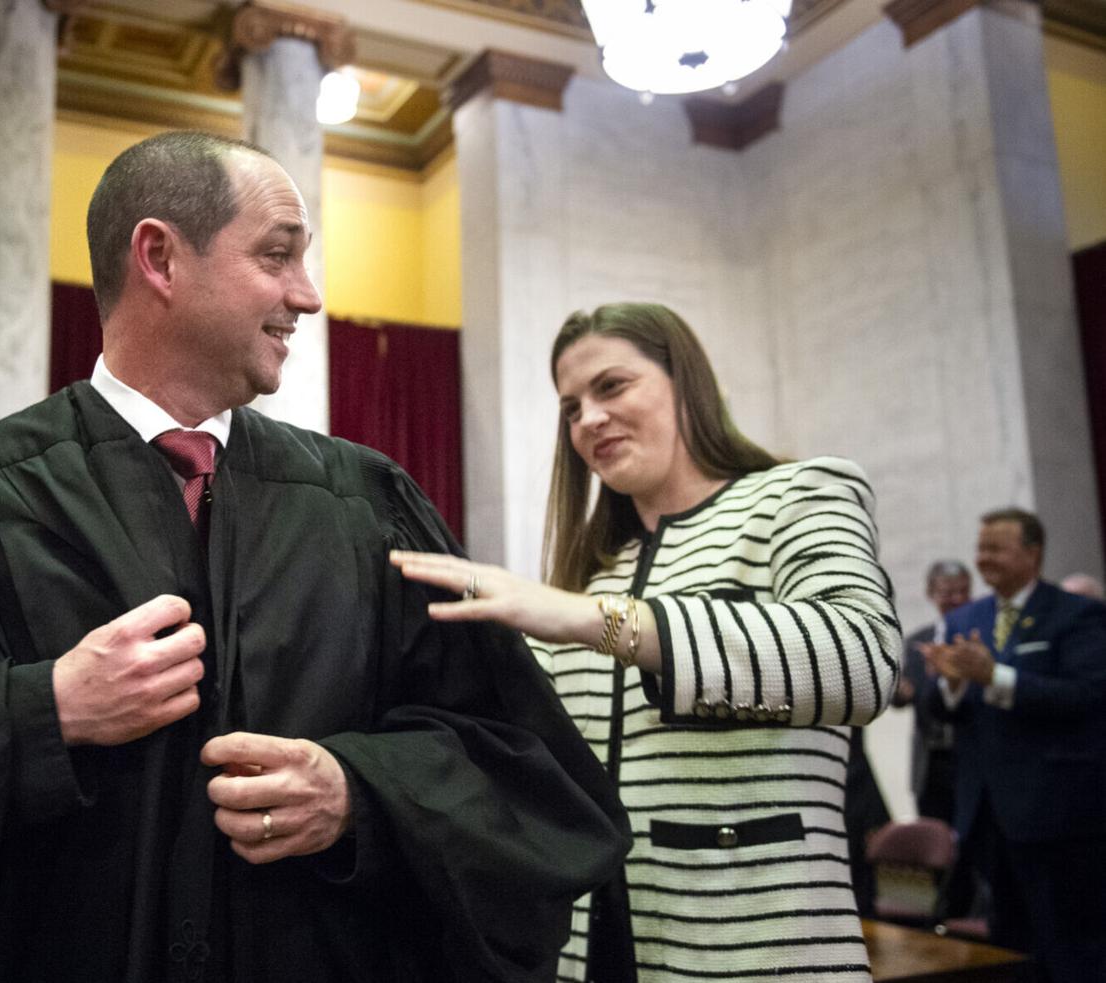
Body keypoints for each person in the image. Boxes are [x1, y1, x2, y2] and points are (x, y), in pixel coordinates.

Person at [0, 132, 628, 983]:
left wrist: (361, 795)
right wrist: (35, 712)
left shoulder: (366, 505)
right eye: (277, 254)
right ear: (160, 257)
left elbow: (522, 766)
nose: (308, 293)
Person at [392, 302, 901, 983]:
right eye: (571, 407)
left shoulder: (799, 496)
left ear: (685, 382)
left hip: (758, 955)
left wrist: (600, 621)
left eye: (611, 386)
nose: (588, 420)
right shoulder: (590, 577)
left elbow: (862, 660)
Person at [924, 508, 1106, 982]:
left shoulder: (1076, 614)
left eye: (996, 549)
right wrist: (952, 682)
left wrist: (995, 676)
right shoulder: (967, 618)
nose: (984, 559)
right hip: (988, 816)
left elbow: (1085, 697)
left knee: (1070, 949)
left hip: (1060, 817)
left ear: (1032, 552)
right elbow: (942, 708)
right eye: (980, 548)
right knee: (1007, 951)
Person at [891, 561, 972, 821]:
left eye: (963, 591)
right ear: (931, 593)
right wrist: (900, 692)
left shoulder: (979, 639)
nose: (956, 599)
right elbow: (899, 696)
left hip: (969, 755)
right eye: (948, 593)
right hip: (929, 760)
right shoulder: (917, 642)